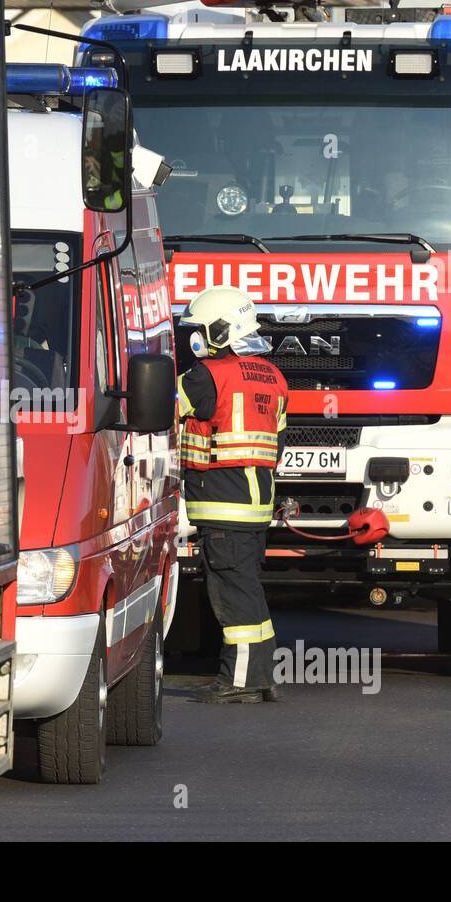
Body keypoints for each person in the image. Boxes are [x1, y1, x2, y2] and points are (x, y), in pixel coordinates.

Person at [177, 286, 288, 704]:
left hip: (221, 503)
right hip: (256, 506)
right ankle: (262, 674)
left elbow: (157, 406)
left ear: (222, 331)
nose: (196, 340)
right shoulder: (274, 377)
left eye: (201, 332)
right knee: (248, 590)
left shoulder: (206, 375)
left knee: (231, 595)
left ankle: (239, 681)